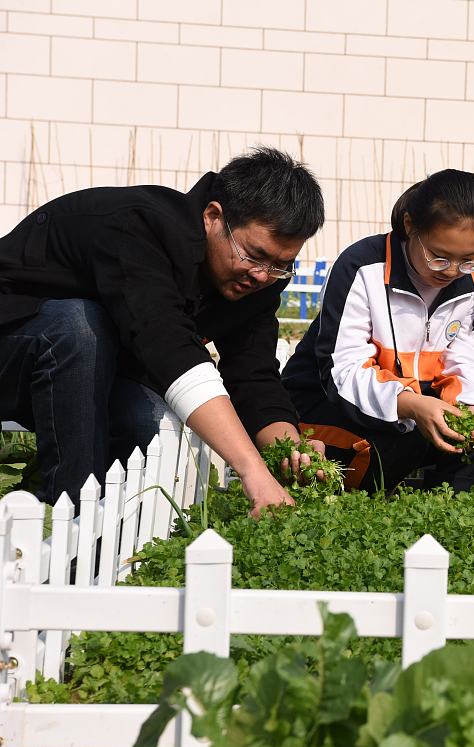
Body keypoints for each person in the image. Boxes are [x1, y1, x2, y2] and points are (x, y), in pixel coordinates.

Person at [0, 147, 326, 514]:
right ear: (213, 217)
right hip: (15, 350)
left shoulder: (255, 281)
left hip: (91, 374)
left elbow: (254, 374)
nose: (263, 275)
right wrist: (252, 471)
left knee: (152, 423)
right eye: (253, 255)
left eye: (281, 265)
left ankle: (125, 540)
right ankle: (69, 514)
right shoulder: (137, 228)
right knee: (78, 327)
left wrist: (290, 447)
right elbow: (166, 345)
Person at [282, 169, 474, 492]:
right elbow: (342, 372)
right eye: (438, 258)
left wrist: (472, 407)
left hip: (419, 406)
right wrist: (410, 405)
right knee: (394, 443)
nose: (453, 271)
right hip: (334, 403)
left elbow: (469, 361)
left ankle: (452, 501)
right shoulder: (361, 268)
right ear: (410, 226)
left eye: (468, 259)